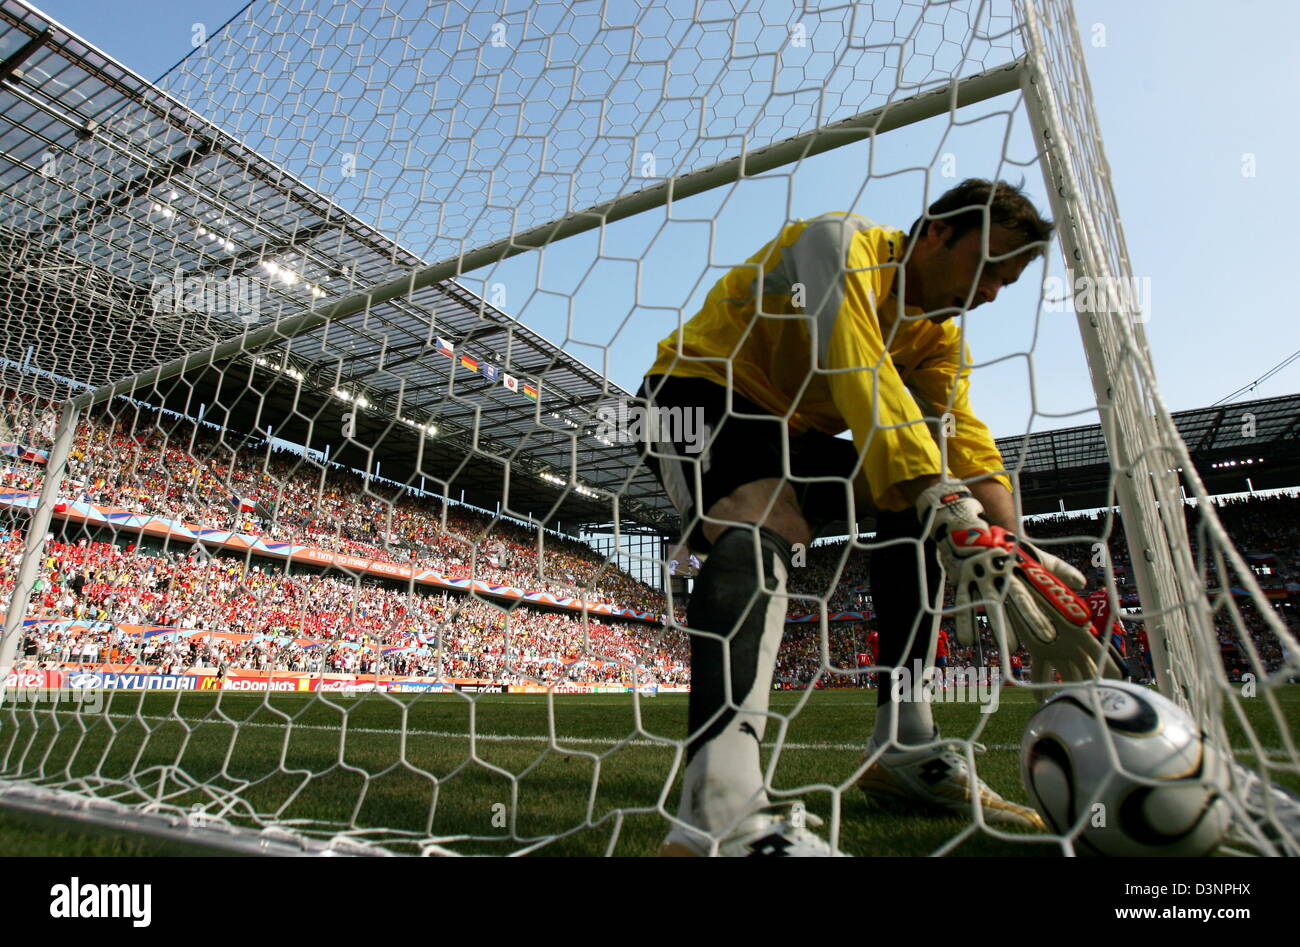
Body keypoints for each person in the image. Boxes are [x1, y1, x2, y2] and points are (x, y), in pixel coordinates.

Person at [640, 179, 1121, 857]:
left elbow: (970, 449)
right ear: (934, 233)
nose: (987, 293)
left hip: (791, 432)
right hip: (693, 395)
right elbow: (856, 361)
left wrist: (1016, 550)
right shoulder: (836, 244)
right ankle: (716, 806)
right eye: (986, 267)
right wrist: (941, 493)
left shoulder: (939, 340)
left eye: (1004, 285)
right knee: (763, 519)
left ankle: (905, 742)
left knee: (928, 507)